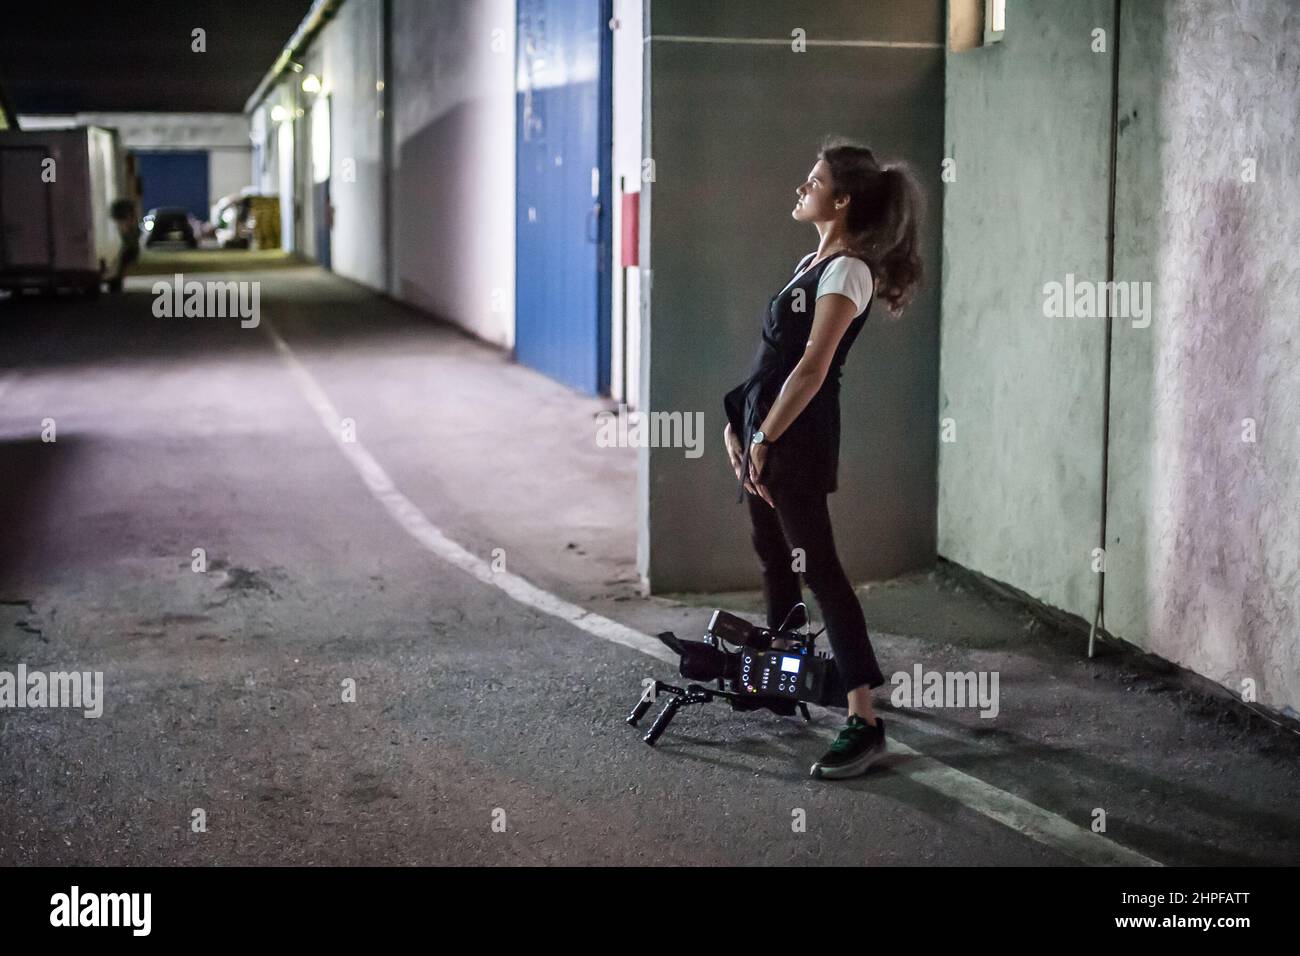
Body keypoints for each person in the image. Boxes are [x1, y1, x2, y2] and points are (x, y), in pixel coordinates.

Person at [722, 138, 923, 779]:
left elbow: (811, 369)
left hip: (796, 443)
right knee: (776, 559)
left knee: (821, 570)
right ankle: (785, 681)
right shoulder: (811, 263)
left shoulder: (849, 272)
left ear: (841, 199)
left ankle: (864, 719)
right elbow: (771, 362)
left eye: (813, 180)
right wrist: (741, 427)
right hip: (765, 432)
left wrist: (766, 437)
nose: (800, 187)